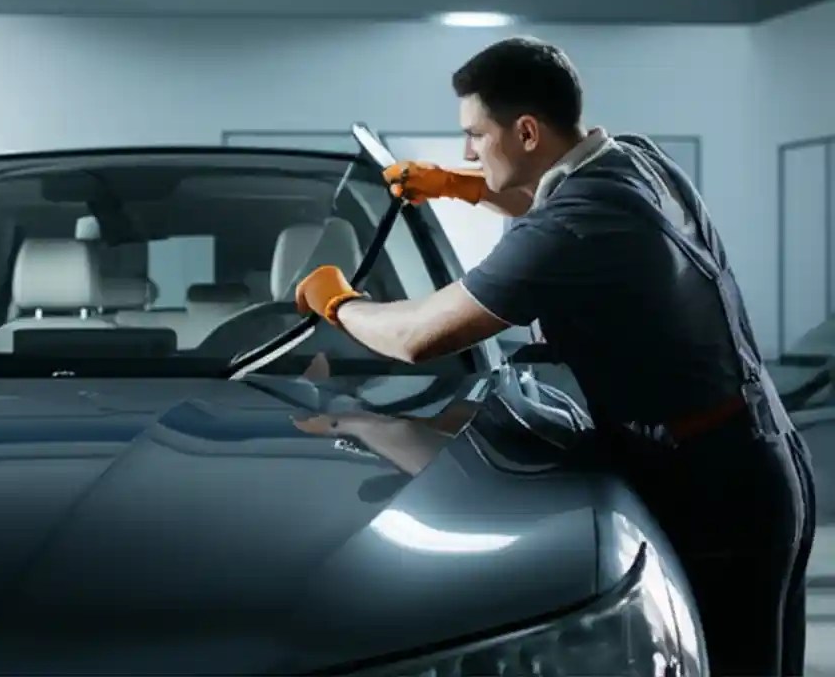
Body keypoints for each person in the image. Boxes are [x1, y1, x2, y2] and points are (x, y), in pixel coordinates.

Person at [294, 36, 816, 676]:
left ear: (527, 131)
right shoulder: (635, 161)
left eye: (475, 137)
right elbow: (544, 194)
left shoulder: (577, 224)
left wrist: (338, 304)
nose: (466, 151)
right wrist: (459, 187)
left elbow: (418, 337)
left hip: (714, 485)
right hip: (757, 456)